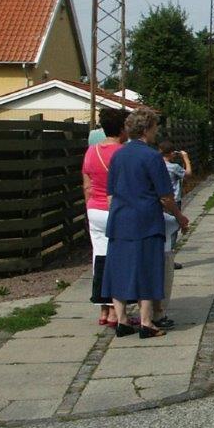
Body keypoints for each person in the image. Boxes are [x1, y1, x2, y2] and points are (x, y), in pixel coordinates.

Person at [101, 108, 189, 339]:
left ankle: (121, 321)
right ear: (147, 128)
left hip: (120, 218)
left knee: (119, 267)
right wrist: (179, 217)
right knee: (147, 268)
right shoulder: (152, 157)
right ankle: (146, 322)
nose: (156, 132)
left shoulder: (118, 155)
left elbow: (110, 193)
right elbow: (165, 196)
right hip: (146, 220)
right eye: (155, 128)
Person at [81, 108, 129, 326]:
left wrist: (88, 210)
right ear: (122, 129)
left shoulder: (91, 151)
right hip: (115, 209)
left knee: (99, 258)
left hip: (94, 209)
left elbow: (87, 184)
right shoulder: (122, 153)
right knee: (117, 259)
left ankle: (102, 308)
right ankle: (114, 311)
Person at [159, 141, 192, 271]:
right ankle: (168, 258)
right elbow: (188, 174)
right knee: (172, 228)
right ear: (172, 153)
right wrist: (186, 159)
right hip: (173, 199)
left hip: (159, 200)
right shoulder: (174, 167)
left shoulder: (157, 165)